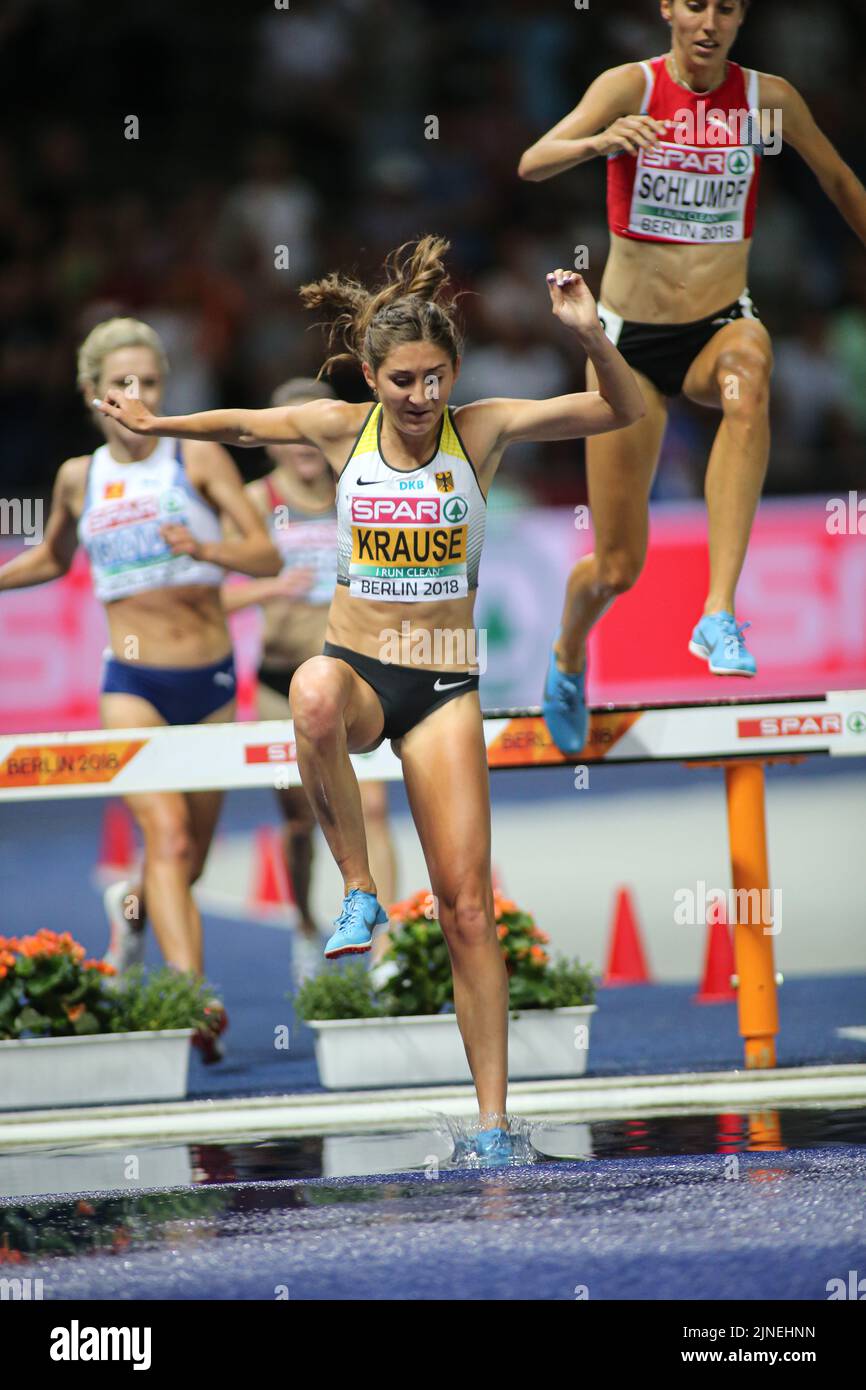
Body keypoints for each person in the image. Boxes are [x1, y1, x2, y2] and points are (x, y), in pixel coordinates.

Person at [93, 236, 644, 1157]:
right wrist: (161, 429)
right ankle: (357, 891)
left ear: (455, 371)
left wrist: (592, 335)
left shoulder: (487, 427)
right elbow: (240, 426)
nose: (421, 399)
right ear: (368, 376)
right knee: (309, 690)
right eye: (401, 381)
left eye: (435, 378)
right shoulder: (337, 427)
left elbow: (620, 409)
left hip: (441, 687)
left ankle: (495, 1124)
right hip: (357, 673)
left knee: (468, 910)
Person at [518, 0, 866, 751]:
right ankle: (569, 652)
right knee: (615, 569)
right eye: (697, 5)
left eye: (729, 9)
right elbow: (533, 161)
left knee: (752, 367)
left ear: (742, 19)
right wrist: (603, 139)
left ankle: (716, 612)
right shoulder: (629, 88)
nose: (711, 22)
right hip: (626, 350)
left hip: (716, 327)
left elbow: (839, 181)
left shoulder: (765, 100)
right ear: (670, 10)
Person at [0, 318, 280, 1058]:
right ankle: (194, 1001)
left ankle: (129, 916)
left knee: (186, 863)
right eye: (122, 384)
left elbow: (264, 553)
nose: (138, 396)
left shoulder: (198, 456)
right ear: (93, 395)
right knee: (168, 835)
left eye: (150, 383)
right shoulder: (78, 477)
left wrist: (206, 547)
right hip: (131, 682)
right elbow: (53, 559)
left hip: (212, 682)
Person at [221, 376, 397, 985]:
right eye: (288, 427)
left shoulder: (361, 486)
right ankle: (300, 924)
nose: (302, 442)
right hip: (278, 682)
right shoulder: (252, 499)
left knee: (372, 804)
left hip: (351, 675)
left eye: (311, 427)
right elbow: (204, 598)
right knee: (301, 816)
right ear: (273, 440)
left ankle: (389, 948)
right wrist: (268, 588)